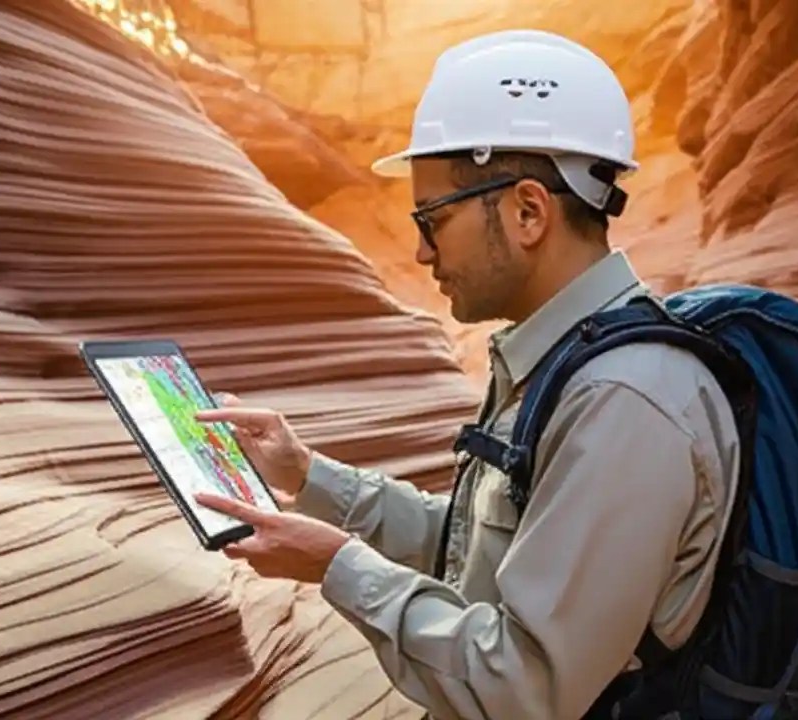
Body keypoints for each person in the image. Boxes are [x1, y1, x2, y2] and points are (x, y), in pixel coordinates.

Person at [193, 29, 741, 720]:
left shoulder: (623, 399)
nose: (422, 251)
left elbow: (523, 684)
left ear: (528, 211)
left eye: (433, 219)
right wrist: (306, 475)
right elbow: (473, 550)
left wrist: (338, 567)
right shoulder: (565, 362)